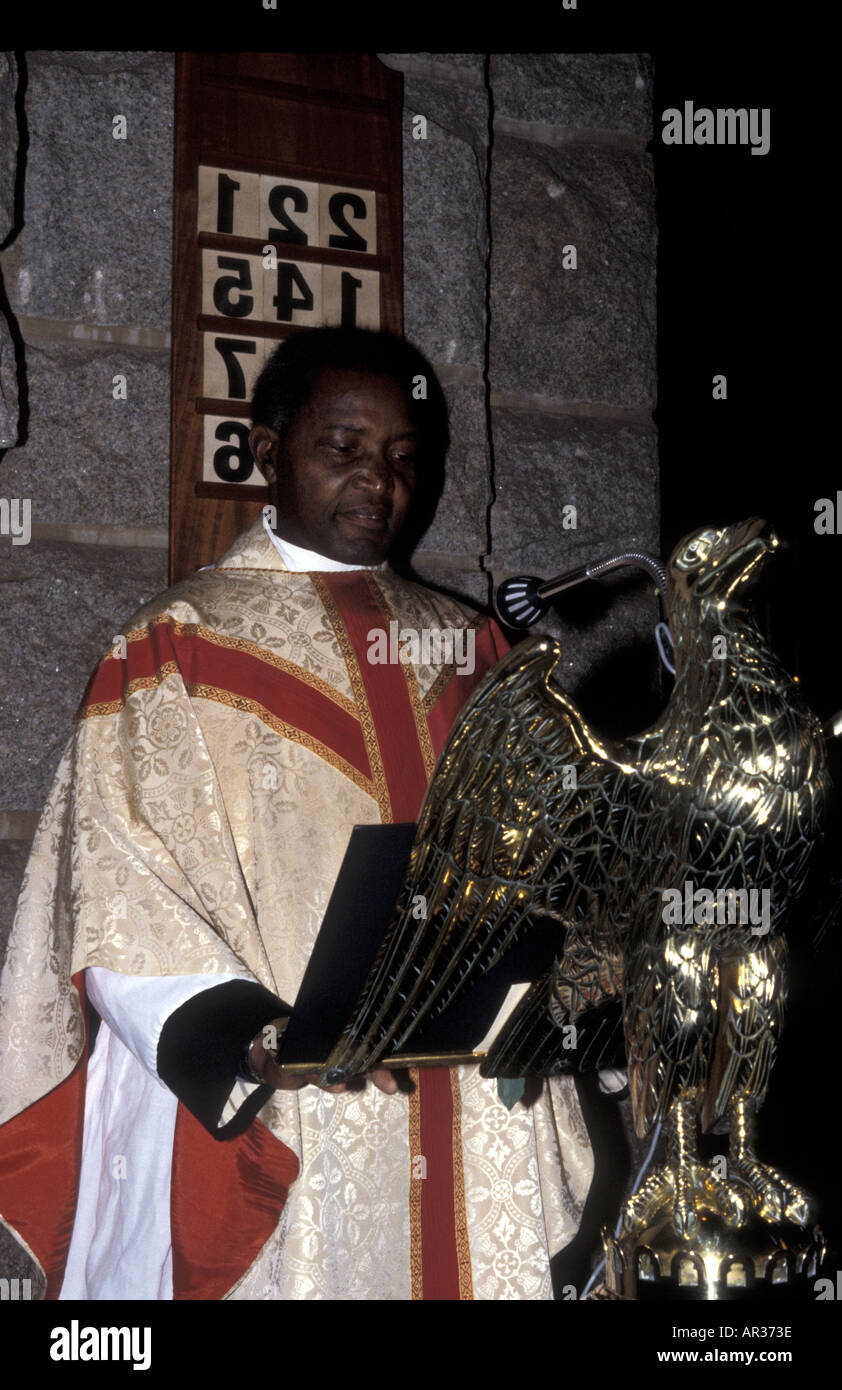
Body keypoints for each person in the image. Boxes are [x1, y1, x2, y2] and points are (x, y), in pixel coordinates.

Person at [0, 328, 593, 1301]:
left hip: (472, 1087)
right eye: (344, 448)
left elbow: (536, 849)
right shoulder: (175, 645)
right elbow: (115, 878)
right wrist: (250, 1037)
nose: (378, 481)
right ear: (268, 453)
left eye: (404, 458)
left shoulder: (465, 645)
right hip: (291, 1084)